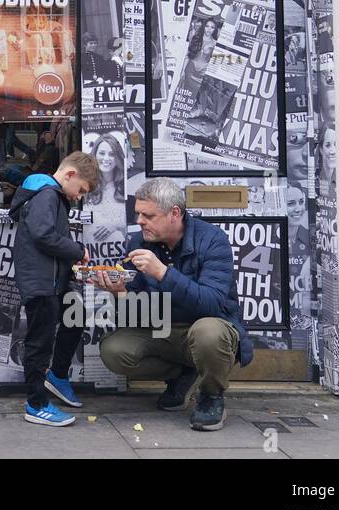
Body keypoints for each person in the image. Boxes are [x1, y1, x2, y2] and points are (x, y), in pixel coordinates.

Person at [94, 178, 254, 432]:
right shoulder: (138, 243)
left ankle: (211, 396)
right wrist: (120, 292)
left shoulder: (213, 240)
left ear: (174, 214)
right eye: (138, 214)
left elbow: (212, 304)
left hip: (207, 330)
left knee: (208, 333)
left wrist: (163, 273)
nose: (140, 222)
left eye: (148, 215)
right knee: (114, 350)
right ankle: (182, 374)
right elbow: (136, 316)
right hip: (164, 329)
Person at [9, 152, 100, 426]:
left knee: (76, 316)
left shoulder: (53, 195)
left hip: (53, 281)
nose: (79, 197)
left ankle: (57, 376)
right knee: (40, 343)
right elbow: (43, 235)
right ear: (70, 175)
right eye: (81, 190)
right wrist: (77, 250)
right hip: (41, 283)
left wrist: (73, 259)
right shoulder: (47, 195)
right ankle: (36, 404)